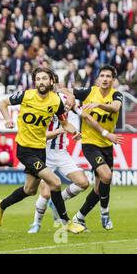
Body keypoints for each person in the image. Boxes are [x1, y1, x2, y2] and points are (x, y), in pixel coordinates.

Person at [0, 68, 85, 234]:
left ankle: (1, 205)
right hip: (25, 149)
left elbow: (65, 124)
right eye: (38, 79)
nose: (41, 82)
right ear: (35, 82)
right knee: (55, 182)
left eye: (44, 78)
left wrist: (74, 131)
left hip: (40, 149)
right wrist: (7, 119)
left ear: (51, 81)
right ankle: (66, 222)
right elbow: (2, 103)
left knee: (30, 190)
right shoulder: (26, 95)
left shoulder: (56, 101)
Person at [28, 74, 95, 233]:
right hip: (44, 151)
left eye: (52, 82)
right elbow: (40, 131)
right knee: (44, 192)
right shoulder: (37, 102)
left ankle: (57, 202)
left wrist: (83, 123)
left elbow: (80, 112)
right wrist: (63, 129)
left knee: (83, 182)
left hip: (61, 152)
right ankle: (36, 223)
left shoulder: (64, 98)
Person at [60, 65, 123, 230]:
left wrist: (98, 105)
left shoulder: (116, 94)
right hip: (90, 143)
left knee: (98, 187)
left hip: (107, 144)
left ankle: (79, 217)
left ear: (113, 80)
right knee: (107, 176)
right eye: (102, 75)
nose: (105, 79)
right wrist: (71, 97)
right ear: (97, 79)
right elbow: (64, 89)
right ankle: (105, 212)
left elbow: (115, 107)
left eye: (108, 76)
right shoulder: (88, 92)